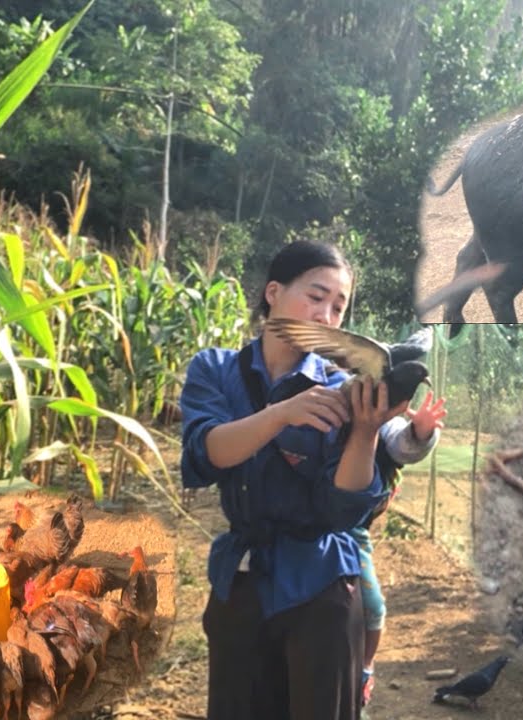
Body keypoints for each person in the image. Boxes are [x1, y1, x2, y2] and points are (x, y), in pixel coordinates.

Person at [179, 240, 409, 720]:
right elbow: (208, 453)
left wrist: (365, 431)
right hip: (240, 584)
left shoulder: (339, 389)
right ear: (274, 293)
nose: (327, 315)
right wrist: (281, 415)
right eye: (316, 296)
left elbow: (342, 507)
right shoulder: (216, 370)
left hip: (322, 587)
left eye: (339, 307)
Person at [358, 391, 447, 708]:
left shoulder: (386, 425)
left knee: (373, 605)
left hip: (350, 531)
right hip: (301, 525)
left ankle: (365, 668)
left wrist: (421, 431)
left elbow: (402, 443)